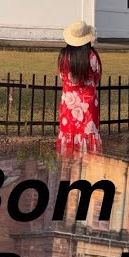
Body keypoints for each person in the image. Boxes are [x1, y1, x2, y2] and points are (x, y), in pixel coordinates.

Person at [56, 21, 103, 158]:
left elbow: (62, 76)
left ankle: (69, 163)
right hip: (88, 103)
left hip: (69, 103)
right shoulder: (92, 57)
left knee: (68, 131)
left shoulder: (64, 57)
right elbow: (96, 77)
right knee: (89, 133)